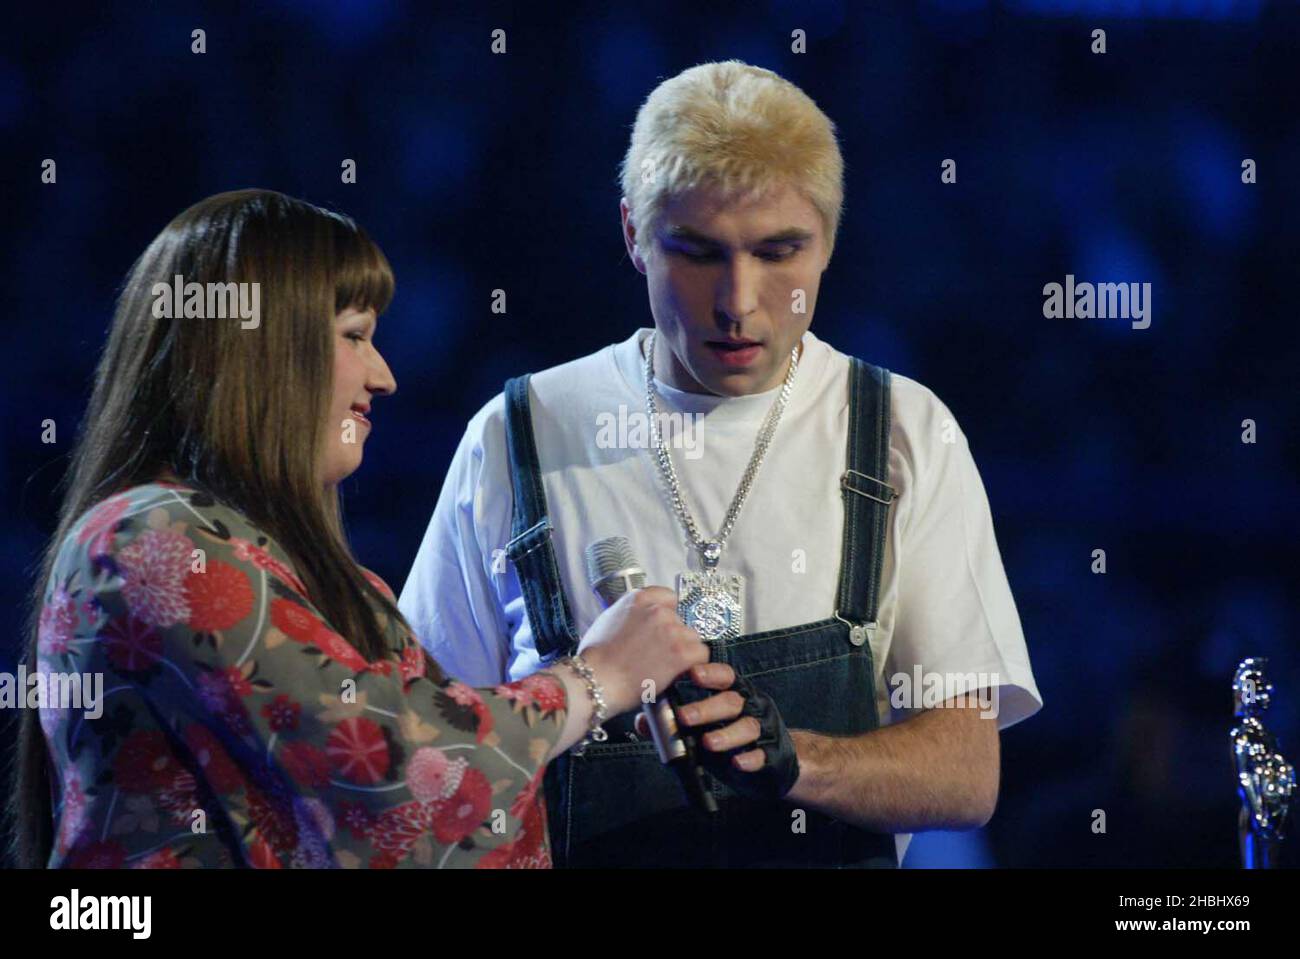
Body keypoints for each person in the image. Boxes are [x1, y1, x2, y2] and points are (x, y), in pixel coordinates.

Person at [399, 61, 1044, 867]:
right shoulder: (518, 435)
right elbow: (422, 760)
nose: (738, 300)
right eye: (698, 252)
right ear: (633, 234)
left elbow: (967, 772)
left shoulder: (901, 431)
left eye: (780, 252)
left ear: (830, 240)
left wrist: (796, 760)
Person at [7, 188, 721, 869]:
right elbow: (392, 775)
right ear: (255, 348)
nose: (384, 376)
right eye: (354, 336)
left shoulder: (309, 573)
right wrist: (593, 680)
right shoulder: (149, 542)